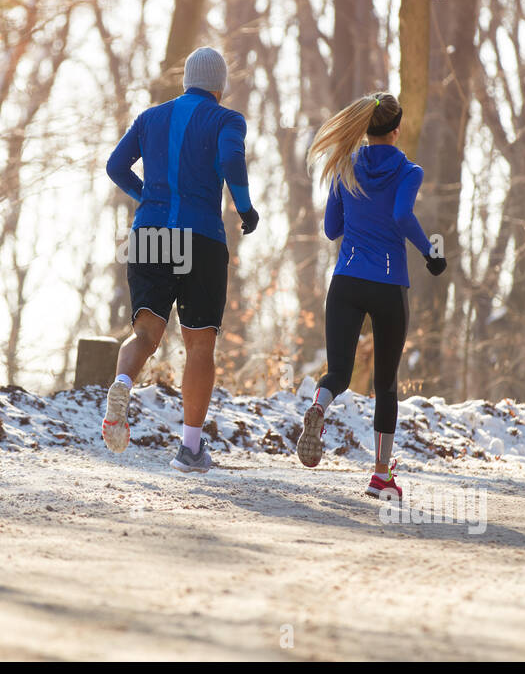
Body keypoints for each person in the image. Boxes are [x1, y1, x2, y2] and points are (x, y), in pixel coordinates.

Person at [101, 47, 258, 474]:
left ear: (186, 80)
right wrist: (244, 207)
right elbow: (230, 158)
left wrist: (148, 199)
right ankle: (189, 449)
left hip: (150, 234)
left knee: (147, 332)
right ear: (219, 86)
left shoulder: (151, 117)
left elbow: (116, 166)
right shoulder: (227, 119)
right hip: (202, 237)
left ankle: (121, 384)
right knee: (200, 344)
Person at [297, 92, 446, 497]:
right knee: (386, 384)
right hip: (388, 283)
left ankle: (319, 407)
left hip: (346, 281)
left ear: (366, 127)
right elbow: (401, 215)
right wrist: (430, 252)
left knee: (339, 372)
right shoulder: (408, 171)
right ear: (397, 130)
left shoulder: (344, 164)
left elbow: (331, 229)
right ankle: (381, 475)